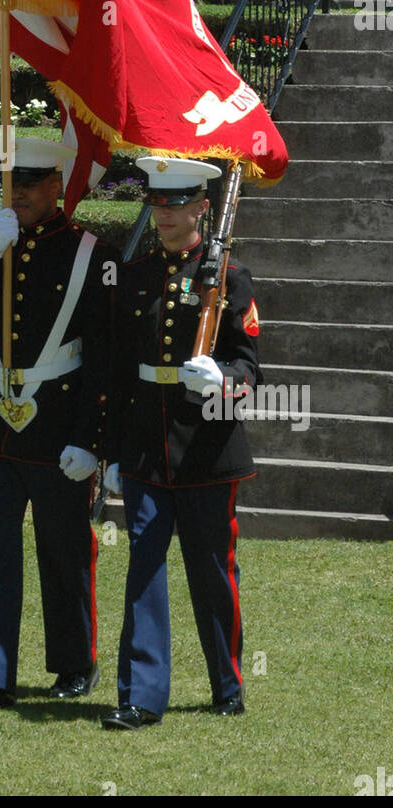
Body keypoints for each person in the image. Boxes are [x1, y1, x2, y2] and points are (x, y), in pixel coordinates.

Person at [0, 140, 115, 710]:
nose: (17, 193)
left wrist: (91, 440)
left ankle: (74, 663)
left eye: (30, 183)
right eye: (11, 182)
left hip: (59, 424)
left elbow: (104, 360)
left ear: (56, 185)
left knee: (63, 551)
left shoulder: (93, 253)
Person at [100, 157, 261, 730]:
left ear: (201, 207)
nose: (162, 215)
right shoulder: (136, 274)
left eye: (174, 205)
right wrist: (112, 451)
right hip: (146, 444)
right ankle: (141, 695)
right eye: (157, 204)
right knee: (143, 567)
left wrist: (224, 381)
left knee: (213, 569)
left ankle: (227, 684)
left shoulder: (230, 277)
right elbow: (118, 370)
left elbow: (249, 366)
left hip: (207, 449)